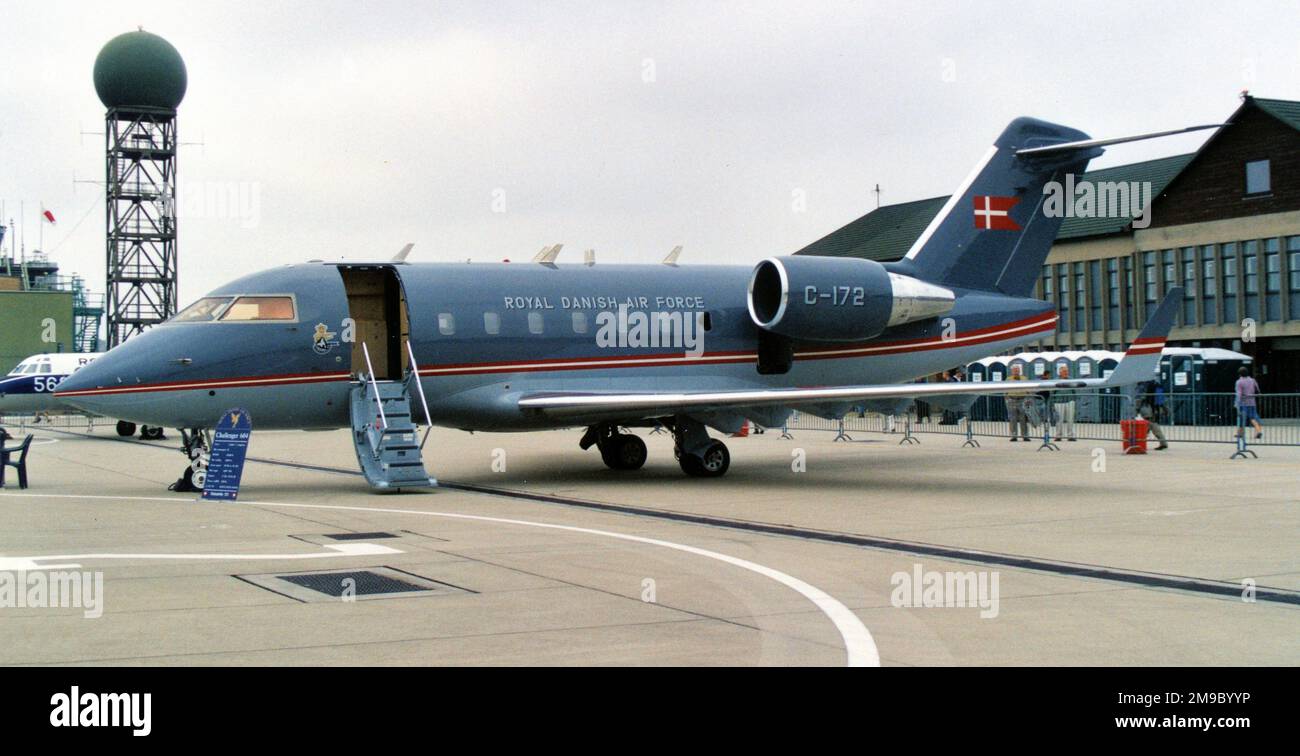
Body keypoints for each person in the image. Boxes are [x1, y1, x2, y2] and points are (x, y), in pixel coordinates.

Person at [1136, 381, 1169, 450]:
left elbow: (1140, 398)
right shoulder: (1155, 384)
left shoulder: (1143, 385)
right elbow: (1163, 400)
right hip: (1155, 408)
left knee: (1152, 425)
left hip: (1148, 409)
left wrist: (1137, 409)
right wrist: (1166, 409)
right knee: (1149, 425)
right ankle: (1139, 442)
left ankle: (1163, 443)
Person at [1234, 366, 1263, 440]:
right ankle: (1258, 431)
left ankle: (1241, 433)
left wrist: (1236, 403)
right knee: (1253, 417)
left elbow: (1239, 394)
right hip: (1252, 402)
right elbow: (1257, 390)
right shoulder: (1252, 380)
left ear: (1240, 374)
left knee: (1241, 418)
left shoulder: (1239, 382)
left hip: (1243, 402)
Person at [1006, 365, 1032, 441]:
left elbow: (1028, 389)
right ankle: (1014, 435)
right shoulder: (1008, 379)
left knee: (1023, 418)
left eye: (1017, 370)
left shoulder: (1024, 379)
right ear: (1012, 371)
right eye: (1015, 370)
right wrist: (1007, 399)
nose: (1016, 371)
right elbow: (1005, 391)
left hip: (1022, 399)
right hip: (1012, 400)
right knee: (1012, 419)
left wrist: (1028, 399)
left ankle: (1025, 435)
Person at [1052, 365, 1077, 441]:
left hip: (1070, 401)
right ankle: (1058, 435)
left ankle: (1071, 436)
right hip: (1058, 402)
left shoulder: (1071, 380)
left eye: (1067, 371)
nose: (1066, 372)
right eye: (1064, 371)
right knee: (1059, 420)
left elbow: (1074, 391)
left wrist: (1074, 400)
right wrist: (1053, 402)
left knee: (1070, 419)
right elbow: (1053, 392)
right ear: (1060, 372)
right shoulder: (1055, 380)